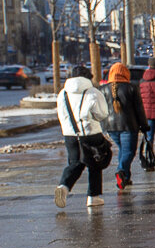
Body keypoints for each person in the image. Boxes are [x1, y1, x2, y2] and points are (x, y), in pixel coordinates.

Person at [55, 65, 110, 209]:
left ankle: (64, 186)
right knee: (95, 164)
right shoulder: (92, 92)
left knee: (75, 163)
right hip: (91, 133)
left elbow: (61, 114)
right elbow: (102, 114)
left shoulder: (63, 94)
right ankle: (93, 197)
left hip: (70, 135)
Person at [105, 62, 148, 192]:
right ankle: (121, 171)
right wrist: (144, 125)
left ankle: (126, 178)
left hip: (111, 127)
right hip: (129, 126)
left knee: (123, 150)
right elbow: (139, 109)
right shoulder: (131, 88)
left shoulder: (103, 89)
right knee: (129, 152)